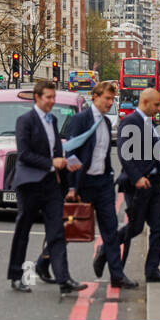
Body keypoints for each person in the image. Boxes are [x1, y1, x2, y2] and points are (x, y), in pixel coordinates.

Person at [6, 79, 84, 296]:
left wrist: (66, 169)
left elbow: (57, 153)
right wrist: (51, 163)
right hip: (30, 183)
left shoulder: (53, 121)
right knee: (23, 230)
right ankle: (15, 275)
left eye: (53, 97)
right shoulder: (25, 121)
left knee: (57, 232)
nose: (52, 101)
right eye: (48, 97)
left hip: (51, 184)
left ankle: (64, 279)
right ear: (37, 98)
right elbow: (24, 154)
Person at [58, 80, 138, 289]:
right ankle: (45, 261)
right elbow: (72, 153)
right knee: (70, 228)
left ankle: (117, 275)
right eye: (107, 98)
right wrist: (72, 187)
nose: (110, 103)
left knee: (110, 230)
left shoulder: (105, 122)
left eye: (112, 99)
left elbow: (103, 154)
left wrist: (109, 174)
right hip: (83, 184)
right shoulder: (80, 120)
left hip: (102, 183)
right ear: (95, 97)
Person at [115, 88, 160, 283]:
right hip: (138, 185)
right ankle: (106, 247)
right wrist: (137, 177)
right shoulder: (129, 122)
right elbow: (124, 155)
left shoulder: (150, 123)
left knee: (159, 228)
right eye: (156, 105)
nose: (159, 109)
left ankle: (152, 270)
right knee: (135, 227)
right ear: (145, 102)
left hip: (155, 183)